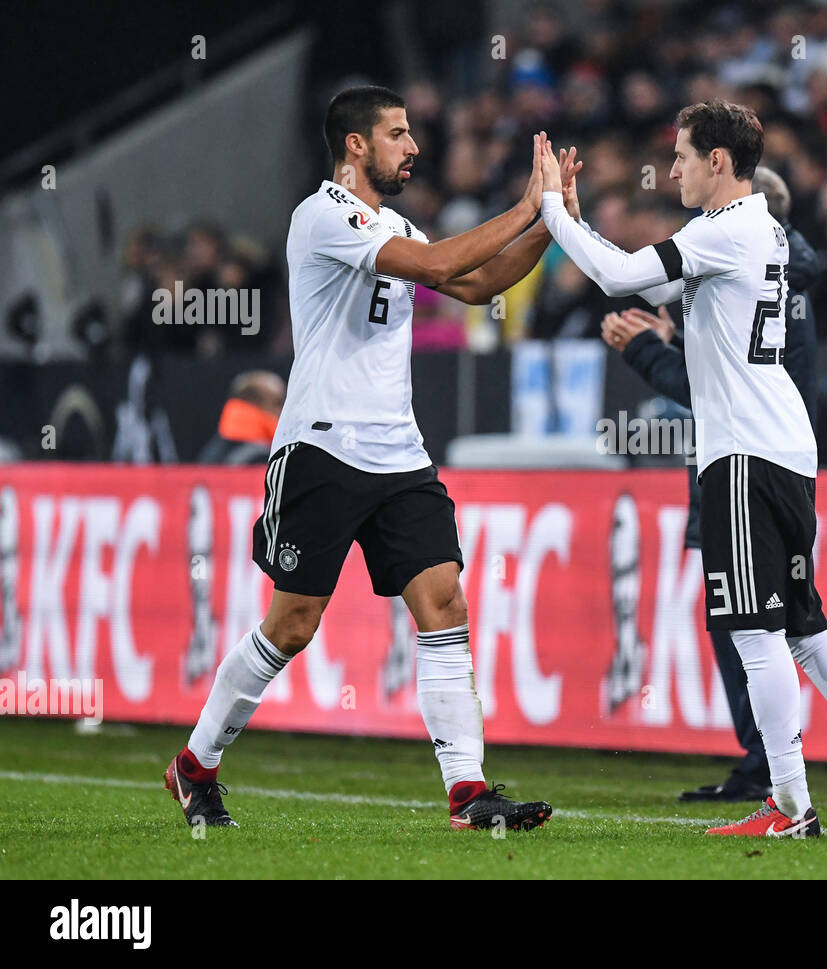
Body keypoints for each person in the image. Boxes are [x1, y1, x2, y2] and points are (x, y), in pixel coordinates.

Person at [164, 85, 583, 832]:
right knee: (292, 625)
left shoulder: (397, 223)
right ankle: (195, 766)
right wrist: (528, 207)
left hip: (399, 453)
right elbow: (436, 264)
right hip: (322, 446)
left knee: (445, 602)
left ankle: (468, 791)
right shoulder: (322, 215)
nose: (412, 146)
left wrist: (551, 227)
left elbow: (475, 280)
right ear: (355, 145)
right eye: (397, 133)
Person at [540, 100, 827, 837]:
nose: (674, 168)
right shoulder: (769, 230)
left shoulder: (722, 229)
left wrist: (555, 213)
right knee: (805, 626)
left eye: (683, 155)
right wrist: (582, 219)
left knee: (755, 630)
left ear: (720, 162)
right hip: (783, 444)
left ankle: (788, 803)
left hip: (743, 453)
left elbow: (621, 276)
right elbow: (652, 284)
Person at [601, 166, 820, 803]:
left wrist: (645, 352)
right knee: (793, 627)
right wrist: (677, 335)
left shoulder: (746, 254)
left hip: (745, 469)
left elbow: (717, 388)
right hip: (772, 465)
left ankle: (775, 773)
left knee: (754, 628)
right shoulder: (780, 278)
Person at [197, 371, 287, 465]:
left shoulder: (213, 449)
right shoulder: (264, 457)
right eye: (278, 402)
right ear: (253, 403)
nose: (283, 409)